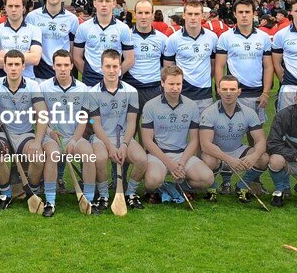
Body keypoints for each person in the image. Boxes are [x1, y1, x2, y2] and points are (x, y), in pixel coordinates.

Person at [0, 49, 48, 211]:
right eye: (10, 64)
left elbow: (42, 114)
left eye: (17, 64)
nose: (13, 68)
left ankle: (32, 191)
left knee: (38, 158)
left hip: (25, 134)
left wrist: (37, 142)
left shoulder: (32, 85)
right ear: (4, 67)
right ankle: (5, 194)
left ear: (23, 66)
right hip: (3, 134)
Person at [141, 65, 213, 206]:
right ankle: (159, 187)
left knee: (207, 179)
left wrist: (182, 163)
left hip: (181, 155)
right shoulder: (150, 105)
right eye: (171, 84)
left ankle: (177, 187)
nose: (175, 88)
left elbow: (194, 140)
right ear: (162, 83)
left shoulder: (191, 106)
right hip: (158, 155)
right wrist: (170, 163)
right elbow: (147, 141)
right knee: (152, 182)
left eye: (178, 84)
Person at [88, 49, 147, 210]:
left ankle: (130, 193)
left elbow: (132, 122)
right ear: (101, 67)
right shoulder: (92, 93)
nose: (112, 70)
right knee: (100, 158)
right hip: (101, 137)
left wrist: (125, 145)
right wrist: (110, 147)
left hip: (124, 136)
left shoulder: (131, 91)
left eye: (115, 66)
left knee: (142, 160)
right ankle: (103, 195)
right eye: (108, 66)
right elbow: (95, 124)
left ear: (120, 67)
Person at [39, 49, 96, 211]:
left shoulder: (83, 88)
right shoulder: (43, 87)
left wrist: (74, 140)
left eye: (66, 65)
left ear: (72, 66)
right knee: (53, 154)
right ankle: (50, 201)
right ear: (53, 66)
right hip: (51, 136)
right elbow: (40, 117)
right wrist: (50, 132)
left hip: (74, 135)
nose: (62, 69)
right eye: (59, 65)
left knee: (89, 155)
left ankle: (89, 200)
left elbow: (83, 119)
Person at [198, 75, 269, 200]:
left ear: (239, 91)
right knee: (209, 160)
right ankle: (212, 187)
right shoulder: (209, 112)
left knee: (263, 158)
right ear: (218, 91)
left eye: (232, 89)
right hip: (216, 152)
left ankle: (241, 185)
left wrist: (255, 155)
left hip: (237, 150)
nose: (228, 93)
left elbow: (261, 140)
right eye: (224, 89)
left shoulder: (249, 112)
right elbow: (205, 145)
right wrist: (229, 159)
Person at [215, 0, 273, 122]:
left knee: (256, 131)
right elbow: (219, 66)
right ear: (235, 14)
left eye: (247, 12)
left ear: (254, 13)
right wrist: (221, 91)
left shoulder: (263, 37)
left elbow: (268, 67)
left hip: (256, 93)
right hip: (233, 92)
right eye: (240, 12)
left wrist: (266, 93)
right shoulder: (225, 37)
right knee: (231, 130)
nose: (244, 15)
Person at [73, 0, 134, 86]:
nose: (104, 4)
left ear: (114, 4)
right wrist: (88, 74)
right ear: (94, 3)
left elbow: (129, 59)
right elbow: (76, 57)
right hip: (90, 82)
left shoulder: (123, 28)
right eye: (100, 1)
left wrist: (115, 75)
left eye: (108, 1)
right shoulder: (83, 27)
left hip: (113, 83)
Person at [164, 0, 218, 113]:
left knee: (205, 124)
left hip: (205, 94)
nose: (193, 18)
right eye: (189, 14)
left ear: (202, 16)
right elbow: (168, 69)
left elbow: (214, 66)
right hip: (182, 93)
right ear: (184, 15)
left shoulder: (212, 37)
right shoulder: (173, 39)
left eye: (196, 14)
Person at [26, 0, 79, 80]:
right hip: (39, 74)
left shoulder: (72, 19)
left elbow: (73, 50)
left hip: (63, 72)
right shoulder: (32, 17)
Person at [124, 0, 167, 111]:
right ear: (135, 15)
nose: (143, 16)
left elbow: (166, 66)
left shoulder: (162, 39)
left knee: (155, 122)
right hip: (131, 87)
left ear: (152, 15)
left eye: (147, 13)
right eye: (140, 13)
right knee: (129, 122)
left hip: (154, 88)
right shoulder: (126, 36)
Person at [0, 0, 43, 79]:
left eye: (17, 6)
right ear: (5, 8)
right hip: (2, 81)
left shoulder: (34, 30)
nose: (13, 9)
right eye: (10, 6)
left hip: (28, 81)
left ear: (23, 8)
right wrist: (25, 57)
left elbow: (35, 59)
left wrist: (5, 56)